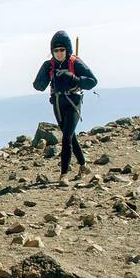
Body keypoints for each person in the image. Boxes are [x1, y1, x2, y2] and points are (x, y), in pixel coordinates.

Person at [32, 30, 97, 181]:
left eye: (62, 50)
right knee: (71, 136)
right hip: (58, 105)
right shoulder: (50, 65)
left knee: (66, 137)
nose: (59, 53)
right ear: (52, 51)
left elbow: (92, 81)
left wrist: (74, 78)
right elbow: (38, 86)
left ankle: (64, 175)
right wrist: (43, 77)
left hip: (74, 102)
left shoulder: (75, 62)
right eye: (56, 50)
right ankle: (83, 165)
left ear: (67, 50)